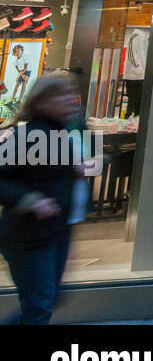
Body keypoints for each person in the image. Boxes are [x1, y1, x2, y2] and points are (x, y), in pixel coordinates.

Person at [0, 72, 88, 324]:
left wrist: (76, 171)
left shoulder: (60, 132)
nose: (71, 99)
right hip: (29, 236)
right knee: (39, 305)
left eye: (72, 93)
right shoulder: (32, 135)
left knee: (46, 300)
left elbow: (48, 174)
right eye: (62, 94)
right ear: (42, 102)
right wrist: (29, 200)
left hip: (54, 231)